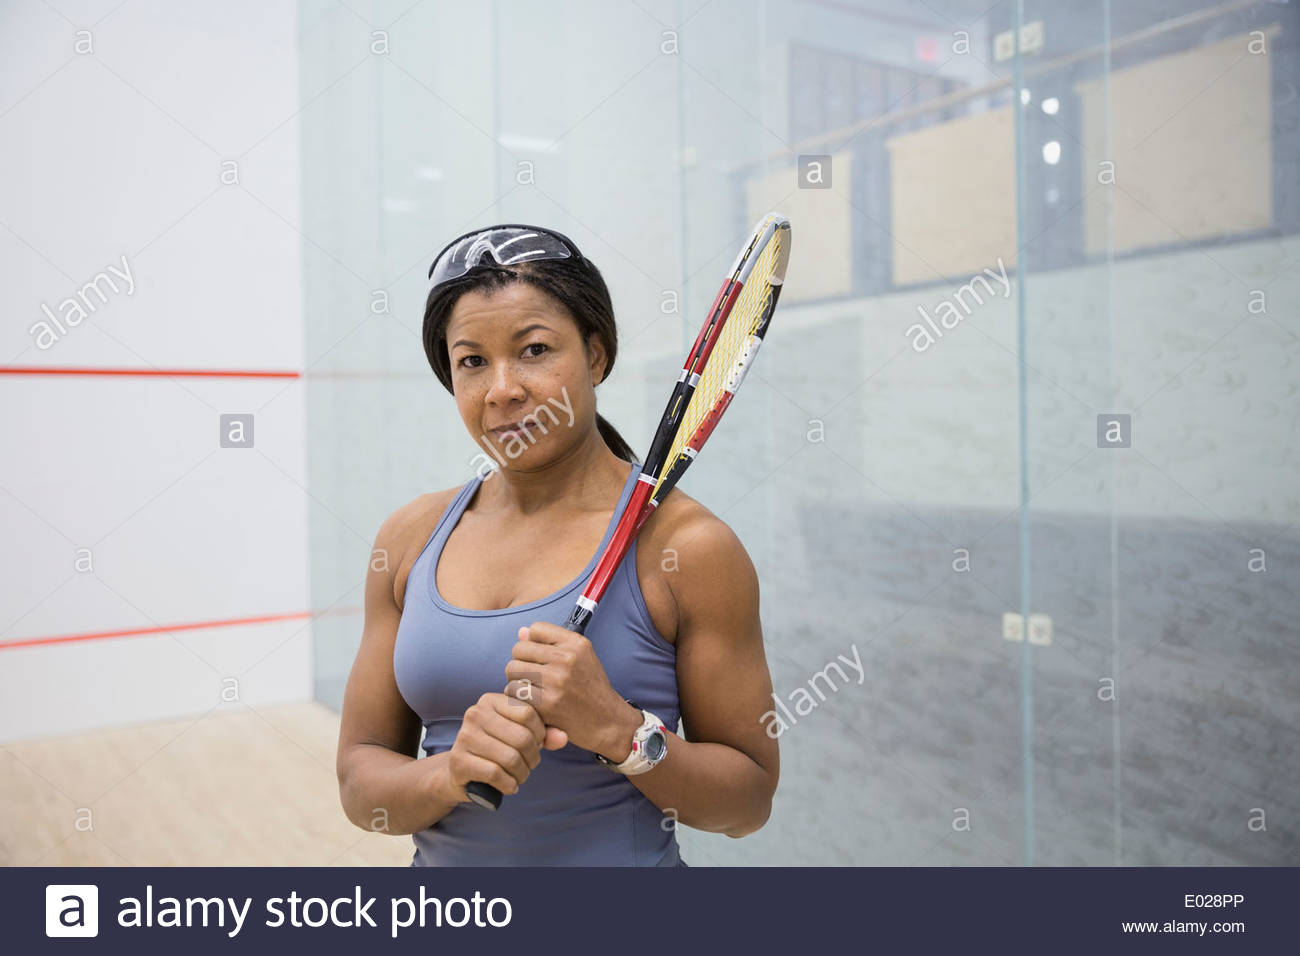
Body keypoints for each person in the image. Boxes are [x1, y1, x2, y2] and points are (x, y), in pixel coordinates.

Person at [335, 224, 779, 866]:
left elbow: (747, 806)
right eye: (472, 361)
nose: (503, 389)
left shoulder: (690, 549)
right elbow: (359, 782)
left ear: (596, 356)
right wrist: (451, 772)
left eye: (536, 349)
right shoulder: (410, 538)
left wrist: (621, 731)